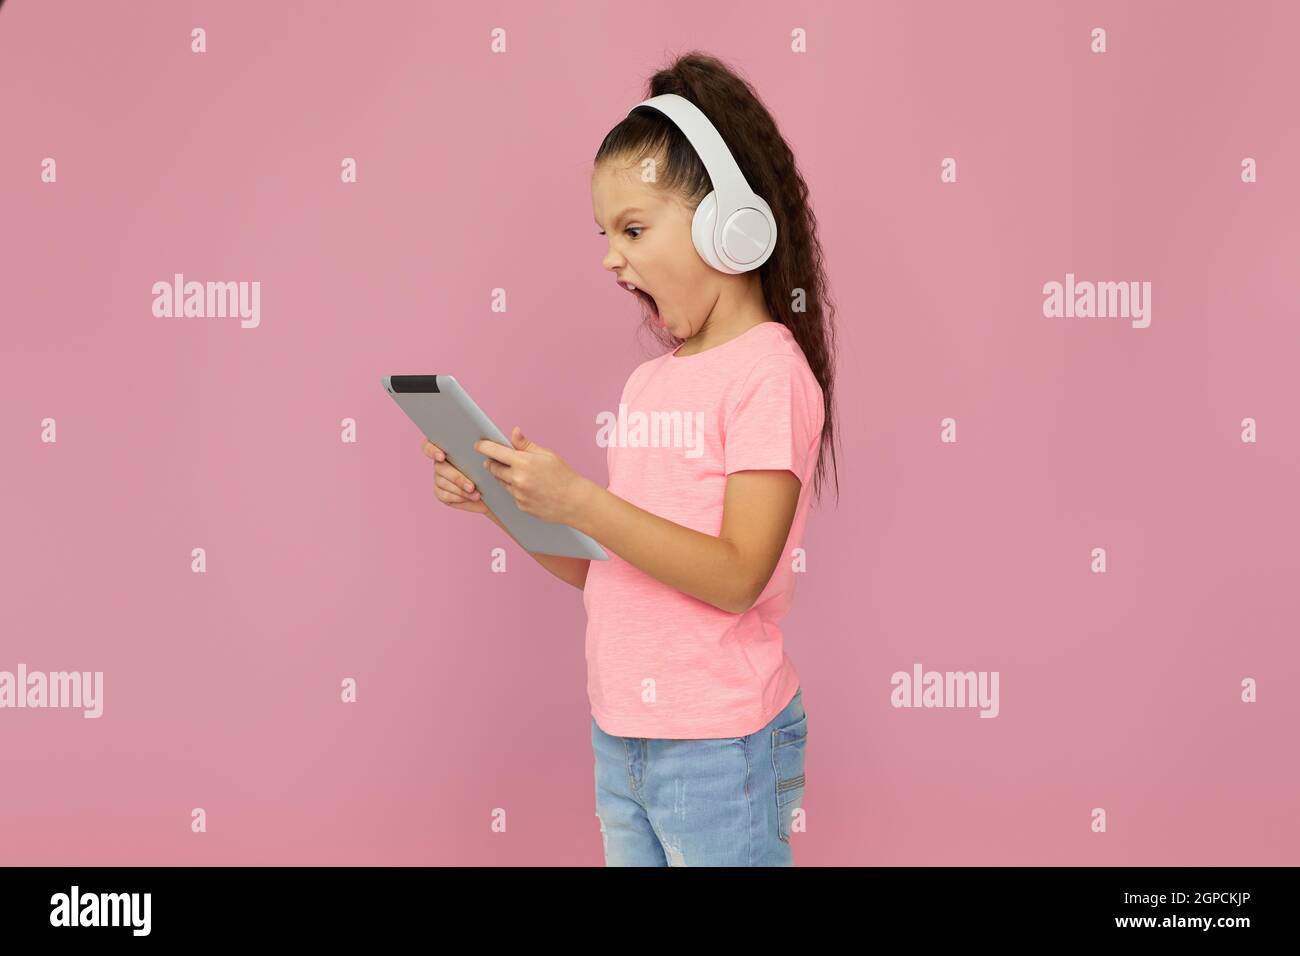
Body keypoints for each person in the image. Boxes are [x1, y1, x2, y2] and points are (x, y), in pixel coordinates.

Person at [421, 51, 839, 866]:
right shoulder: (650, 384)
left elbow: (734, 574)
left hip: (719, 747)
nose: (611, 258)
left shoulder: (768, 374)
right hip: (624, 736)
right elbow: (611, 568)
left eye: (634, 229)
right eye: (605, 235)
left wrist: (579, 499)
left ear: (729, 223)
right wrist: (508, 505)